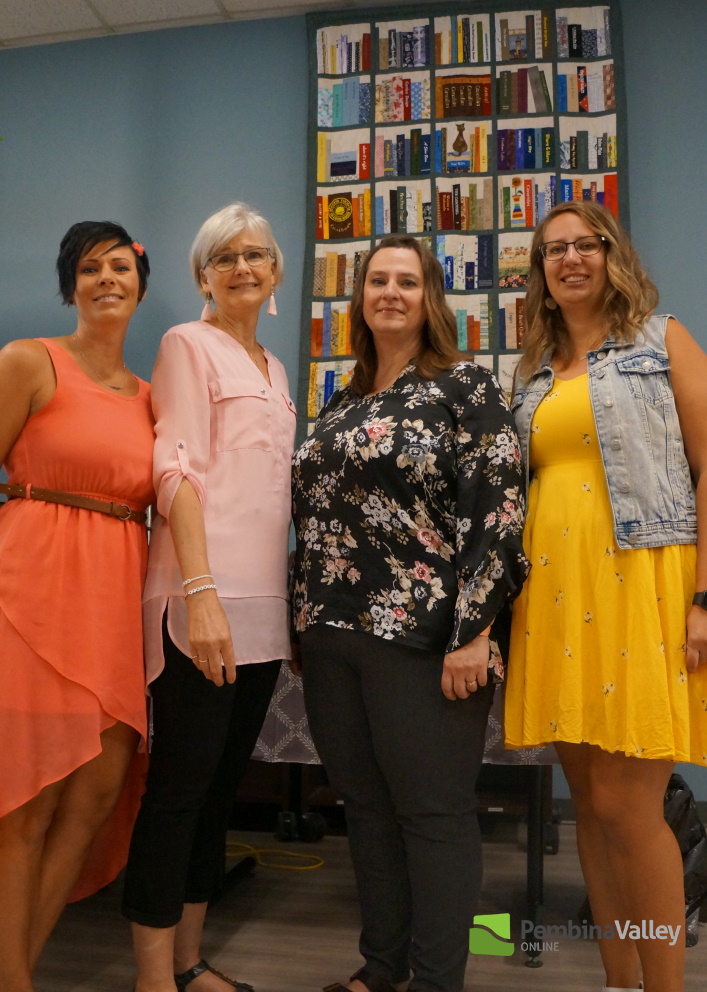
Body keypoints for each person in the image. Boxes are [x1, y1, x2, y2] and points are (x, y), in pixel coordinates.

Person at [291, 235, 529, 992]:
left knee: (432, 814)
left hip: (425, 639)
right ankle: (379, 968)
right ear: (357, 298)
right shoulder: (341, 397)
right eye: (375, 281)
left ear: (431, 297)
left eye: (406, 280)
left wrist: (474, 633)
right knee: (364, 809)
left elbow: (497, 512)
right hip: (330, 634)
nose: (389, 292)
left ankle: (435, 981)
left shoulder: (466, 387)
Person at [505, 200, 707, 992]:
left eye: (584, 244)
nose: (570, 259)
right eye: (553, 251)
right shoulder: (529, 373)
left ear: (610, 254)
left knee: (630, 807)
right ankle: (618, 981)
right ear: (540, 273)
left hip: (641, 584)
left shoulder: (662, 340)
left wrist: (704, 598)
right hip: (552, 595)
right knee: (587, 802)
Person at [122, 203, 295, 992]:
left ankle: (189, 961)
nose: (242, 268)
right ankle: (154, 977)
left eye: (255, 255)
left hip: (262, 612)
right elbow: (176, 472)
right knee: (179, 793)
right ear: (202, 275)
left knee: (221, 792)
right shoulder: (186, 345)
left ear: (276, 271)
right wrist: (200, 595)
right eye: (223, 258)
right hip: (202, 604)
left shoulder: (275, 367)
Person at [0, 221, 153, 992]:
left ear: (141, 284)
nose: (105, 280)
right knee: (24, 801)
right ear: (71, 286)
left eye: (119, 267)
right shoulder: (29, 360)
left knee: (93, 799)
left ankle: (14, 965)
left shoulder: (156, 399)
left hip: (116, 606)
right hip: (29, 596)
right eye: (89, 269)